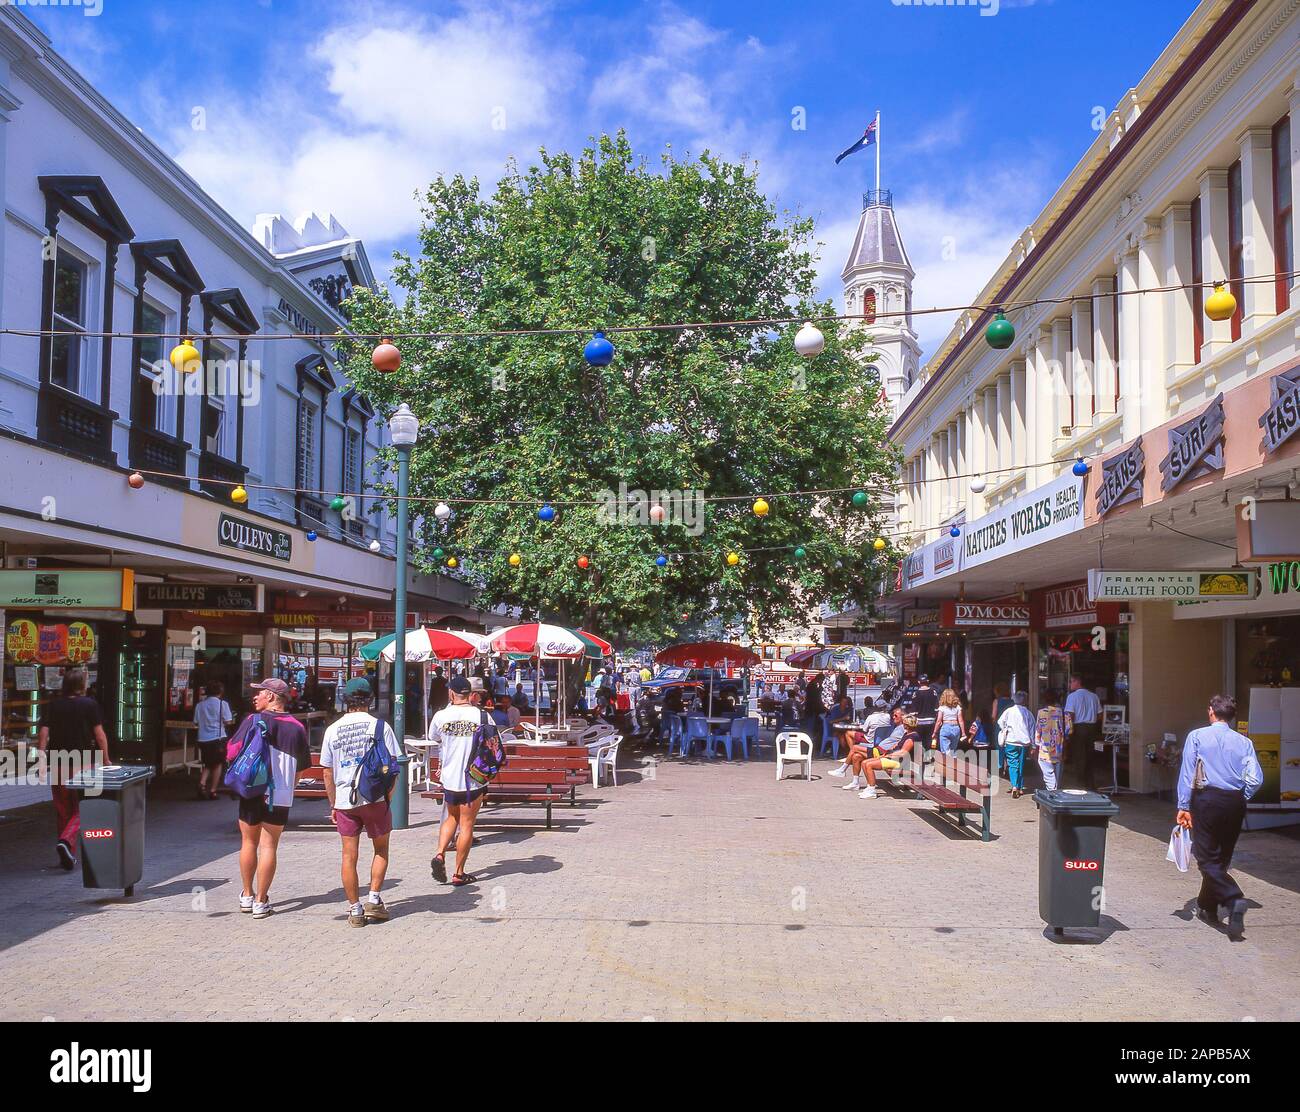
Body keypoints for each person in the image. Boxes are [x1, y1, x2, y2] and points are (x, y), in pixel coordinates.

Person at [1176, 695, 1262, 938]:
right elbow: (1256, 778)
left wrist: (1183, 804)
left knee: (1205, 857)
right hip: (1234, 800)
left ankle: (1234, 899)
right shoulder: (1244, 742)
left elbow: (1187, 772)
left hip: (1207, 799)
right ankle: (1208, 906)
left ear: (1211, 711)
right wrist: (1240, 796)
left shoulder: (1198, 736)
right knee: (1221, 857)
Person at [320, 678, 401, 927]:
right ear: (369, 699)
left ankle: (355, 910)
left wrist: (333, 803)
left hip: (345, 800)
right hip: (374, 797)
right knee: (381, 850)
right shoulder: (380, 727)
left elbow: (326, 771)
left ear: (345, 700)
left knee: (348, 856)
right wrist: (388, 798)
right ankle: (374, 899)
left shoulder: (332, 730)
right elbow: (394, 767)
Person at [234, 678, 311, 919]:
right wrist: (290, 785)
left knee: (248, 843)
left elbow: (232, 751)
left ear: (270, 696)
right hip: (279, 793)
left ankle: (247, 894)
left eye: (259, 693)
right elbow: (301, 767)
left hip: (251, 789)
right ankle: (260, 901)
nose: (254, 697)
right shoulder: (296, 727)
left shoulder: (252, 721)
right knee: (269, 846)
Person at [36, 669, 109, 871]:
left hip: (58, 761)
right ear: (80, 686)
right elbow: (100, 735)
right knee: (84, 807)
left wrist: (41, 760)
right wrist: (106, 759)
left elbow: (43, 734)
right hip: (83, 761)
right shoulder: (90, 705)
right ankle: (67, 842)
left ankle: (66, 855)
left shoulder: (54, 705)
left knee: (62, 809)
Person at [429, 676, 490, 887]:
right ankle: (458, 872)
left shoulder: (440, 716)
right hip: (473, 778)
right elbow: (492, 743)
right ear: (471, 694)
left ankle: (439, 854)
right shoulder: (482, 716)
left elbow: (434, 737)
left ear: (451, 693)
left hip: (449, 777)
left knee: (452, 818)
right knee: (467, 825)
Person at [840, 707, 904, 792]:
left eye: (896, 715)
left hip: (881, 752)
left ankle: (843, 769)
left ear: (902, 716)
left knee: (854, 747)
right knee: (856, 756)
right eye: (893, 715)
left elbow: (864, 729)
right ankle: (855, 783)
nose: (893, 717)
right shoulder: (894, 725)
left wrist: (893, 749)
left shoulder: (903, 728)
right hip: (878, 748)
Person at [856, 713, 918, 800]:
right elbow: (897, 746)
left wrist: (887, 756)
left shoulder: (912, 737)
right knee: (864, 762)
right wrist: (889, 751)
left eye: (904, 723)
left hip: (899, 762)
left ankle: (872, 791)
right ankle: (869, 787)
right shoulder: (907, 734)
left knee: (869, 765)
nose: (903, 725)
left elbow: (903, 753)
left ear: (907, 724)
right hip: (894, 758)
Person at [193, 681, 234, 801]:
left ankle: (202, 783)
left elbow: (196, 722)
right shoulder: (222, 704)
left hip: (202, 738)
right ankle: (213, 790)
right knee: (217, 764)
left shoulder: (200, 705)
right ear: (220, 692)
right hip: (217, 738)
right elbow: (228, 721)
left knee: (208, 762)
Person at [1064, 675, 1101, 790]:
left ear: (1077, 681)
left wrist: (1068, 731)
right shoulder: (1094, 696)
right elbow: (1100, 715)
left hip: (1078, 727)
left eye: (1071, 682)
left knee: (1079, 756)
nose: (1070, 684)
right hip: (1091, 728)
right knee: (1090, 755)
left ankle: (1080, 784)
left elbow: (1070, 715)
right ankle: (1090, 783)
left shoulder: (1072, 697)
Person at [997, 691, 1035, 798]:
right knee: (1021, 764)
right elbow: (1032, 730)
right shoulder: (1028, 713)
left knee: (1013, 764)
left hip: (1011, 741)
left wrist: (1005, 729)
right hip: (1024, 743)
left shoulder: (1008, 711)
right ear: (1025, 701)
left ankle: (1014, 786)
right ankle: (1020, 787)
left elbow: (1000, 722)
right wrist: (1033, 745)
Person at [1034, 689, 1072, 792]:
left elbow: (1038, 731)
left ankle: (1052, 794)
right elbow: (1069, 732)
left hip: (1045, 750)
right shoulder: (1065, 714)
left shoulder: (1041, 713)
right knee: (1057, 776)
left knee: (1048, 775)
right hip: (1060, 749)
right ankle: (1055, 793)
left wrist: (1035, 747)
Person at [910, 675, 939, 753]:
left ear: (919, 682)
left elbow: (913, 710)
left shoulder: (916, 693)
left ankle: (920, 757)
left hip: (919, 721)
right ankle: (928, 756)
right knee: (929, 739)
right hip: (931, 721)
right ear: (928, 681)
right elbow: (936, 708)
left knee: (919, 740)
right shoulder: (934, 692)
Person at [934, 688, 965, 754]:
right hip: (956, 728)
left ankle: (948, 762)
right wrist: (963, 733)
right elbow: (961, 721)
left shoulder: (942, 707)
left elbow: (938, 721)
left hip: (946, 727)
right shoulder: (958, 707)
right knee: (953, 750)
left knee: (945, 751)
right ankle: (953, 761)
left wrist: (935, 732)